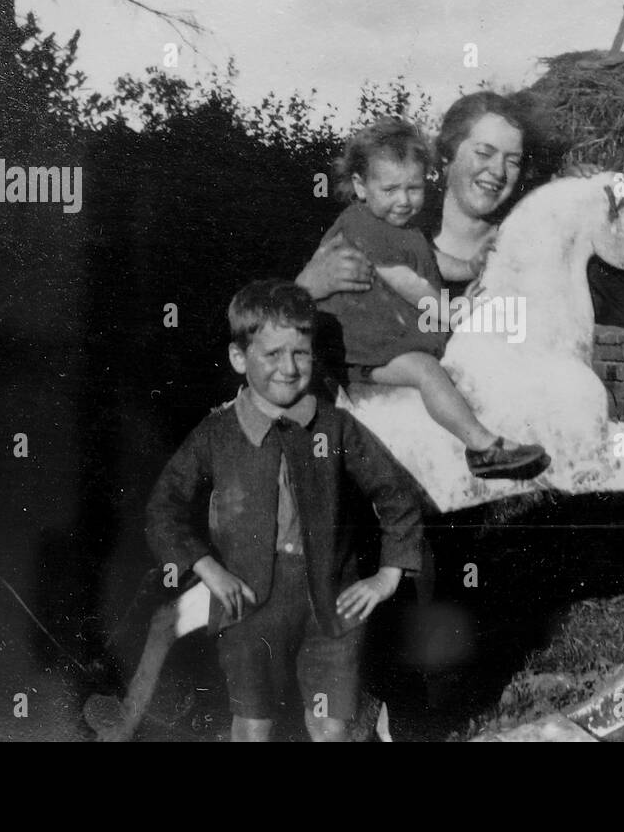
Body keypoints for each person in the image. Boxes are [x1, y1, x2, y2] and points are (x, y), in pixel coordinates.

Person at [144, 279, 424, 742]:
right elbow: (163, 507)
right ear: (239, 358)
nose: (289, 368)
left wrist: (389, 574)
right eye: (272, 354)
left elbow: (397, 494)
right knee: (254, 726)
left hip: (332, 604)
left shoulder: (335, 428)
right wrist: (207, 567)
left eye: (301, 353)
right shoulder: (218, 433)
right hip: (249, 606)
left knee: (330, 728)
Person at [297, 91, 624, 327]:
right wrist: (306, 287)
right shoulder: (391, 225)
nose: (498, 172)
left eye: (512, 161)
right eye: (483, 153)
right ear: (448, 154)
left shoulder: (527, 244)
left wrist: (583, 207)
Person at [315, 117, 549, 481]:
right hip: (360, 349)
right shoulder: (359, 225)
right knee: (427, 372)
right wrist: (449, 313)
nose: (404, 201)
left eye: (414, 188)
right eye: (391, 189)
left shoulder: (404, 231)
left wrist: (471, 265)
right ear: (361, 186)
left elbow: (433, 259)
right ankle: (483, 447)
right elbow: (407, 281)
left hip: (385, 340)